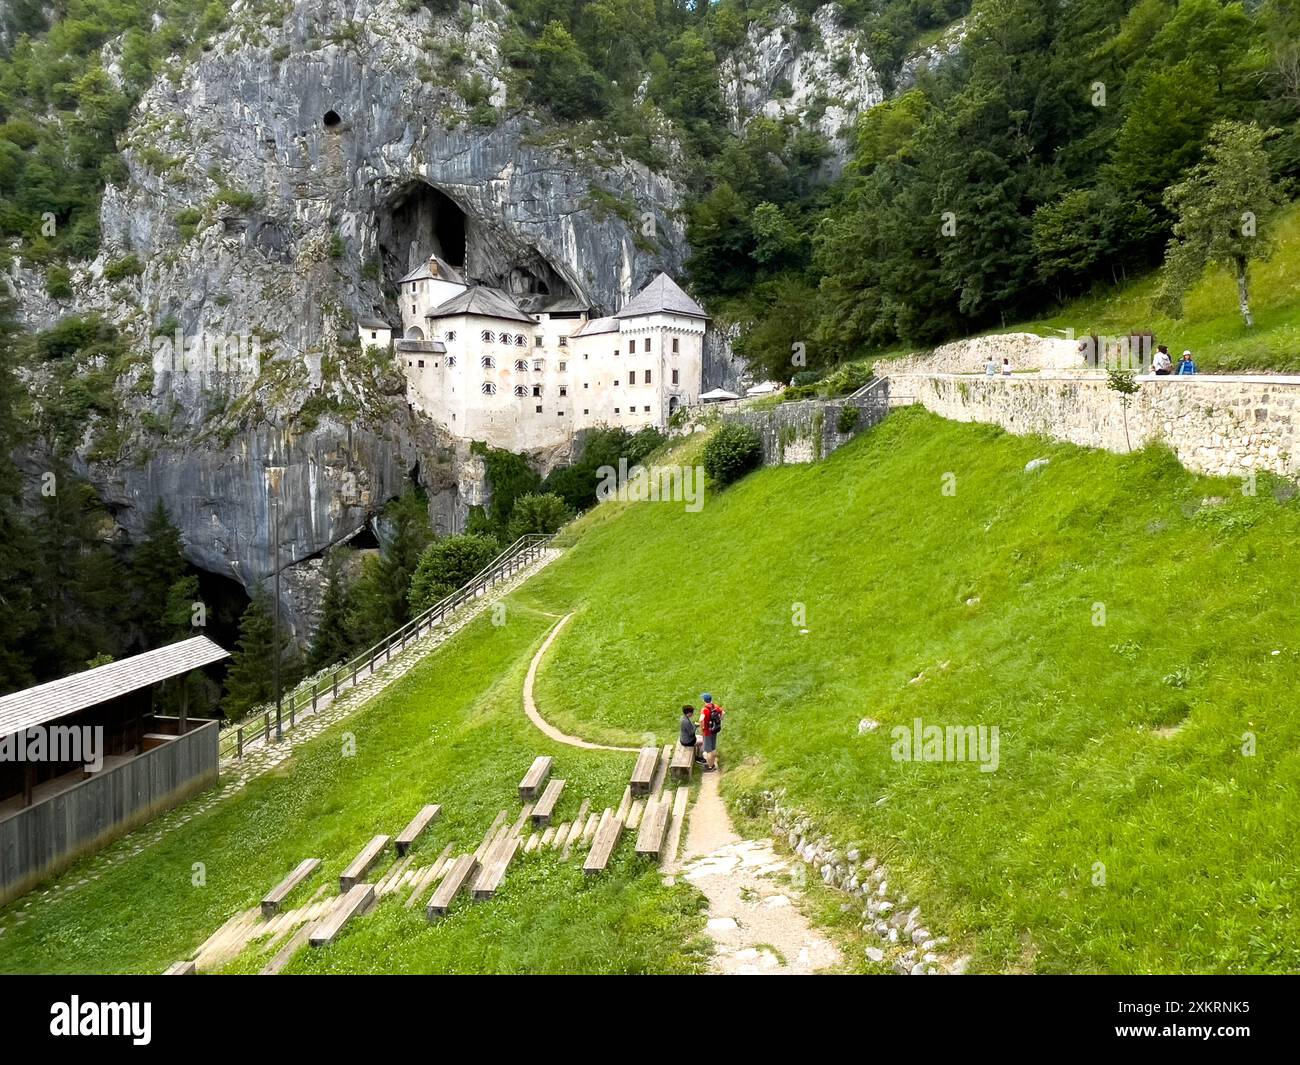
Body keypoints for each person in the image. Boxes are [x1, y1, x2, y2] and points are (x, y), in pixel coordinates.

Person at [699, 693, 725, 772]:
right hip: (714, 729)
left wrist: (702, 727)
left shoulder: (704, 710)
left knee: (708, 750)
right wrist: (720, 720)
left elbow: (701, 720)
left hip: (707, 732)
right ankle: (713, 763)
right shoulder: (715, 707)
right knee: (713, 748)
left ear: (704, 700)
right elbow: (723, 713)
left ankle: (710, 767)